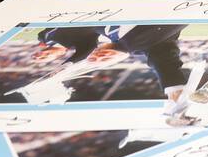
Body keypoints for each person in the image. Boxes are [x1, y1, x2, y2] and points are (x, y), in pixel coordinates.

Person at [31, 25, 190, 102]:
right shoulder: (150, 46)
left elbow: (63, 28)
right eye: (103, 61)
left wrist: (59, 46)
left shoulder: (100, 30)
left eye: (94, 57)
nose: (101, 57)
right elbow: (164, 62)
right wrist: (175, 91)